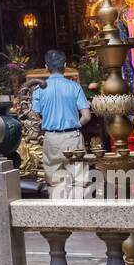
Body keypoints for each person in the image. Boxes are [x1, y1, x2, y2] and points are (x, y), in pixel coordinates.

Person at [32, 50, 93, 197]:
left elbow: (35, 117)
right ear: (65, 65)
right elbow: (86, 116)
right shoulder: (74, 87)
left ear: (46, 67)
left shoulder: (38, 90)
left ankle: (59, 214)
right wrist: (75, 125)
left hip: (51, 139)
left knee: (55, 182)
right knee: (79, 181)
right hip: (72, 137)